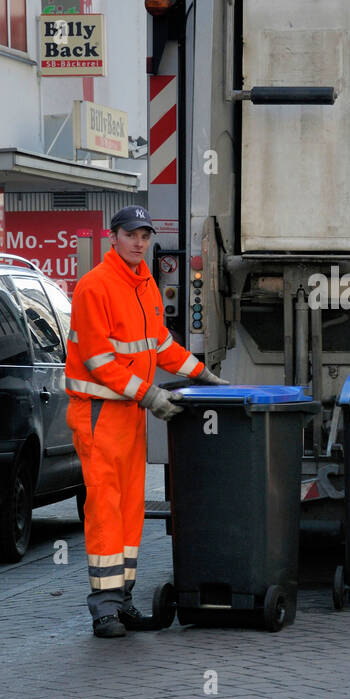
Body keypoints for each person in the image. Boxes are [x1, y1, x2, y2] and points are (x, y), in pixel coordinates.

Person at [64, 205, 228, 638]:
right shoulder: (94, 287)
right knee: (105, 508)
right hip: (98, 413)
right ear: (113, 237)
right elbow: (101, 361)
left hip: (127, 415)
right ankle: (104, 607)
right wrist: (150, 394)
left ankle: (124, 599)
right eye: (131, 234)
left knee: (130, 507)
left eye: (145, 235)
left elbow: (160, 346)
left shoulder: (145, 286)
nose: (139, 242)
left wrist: (202, 372)